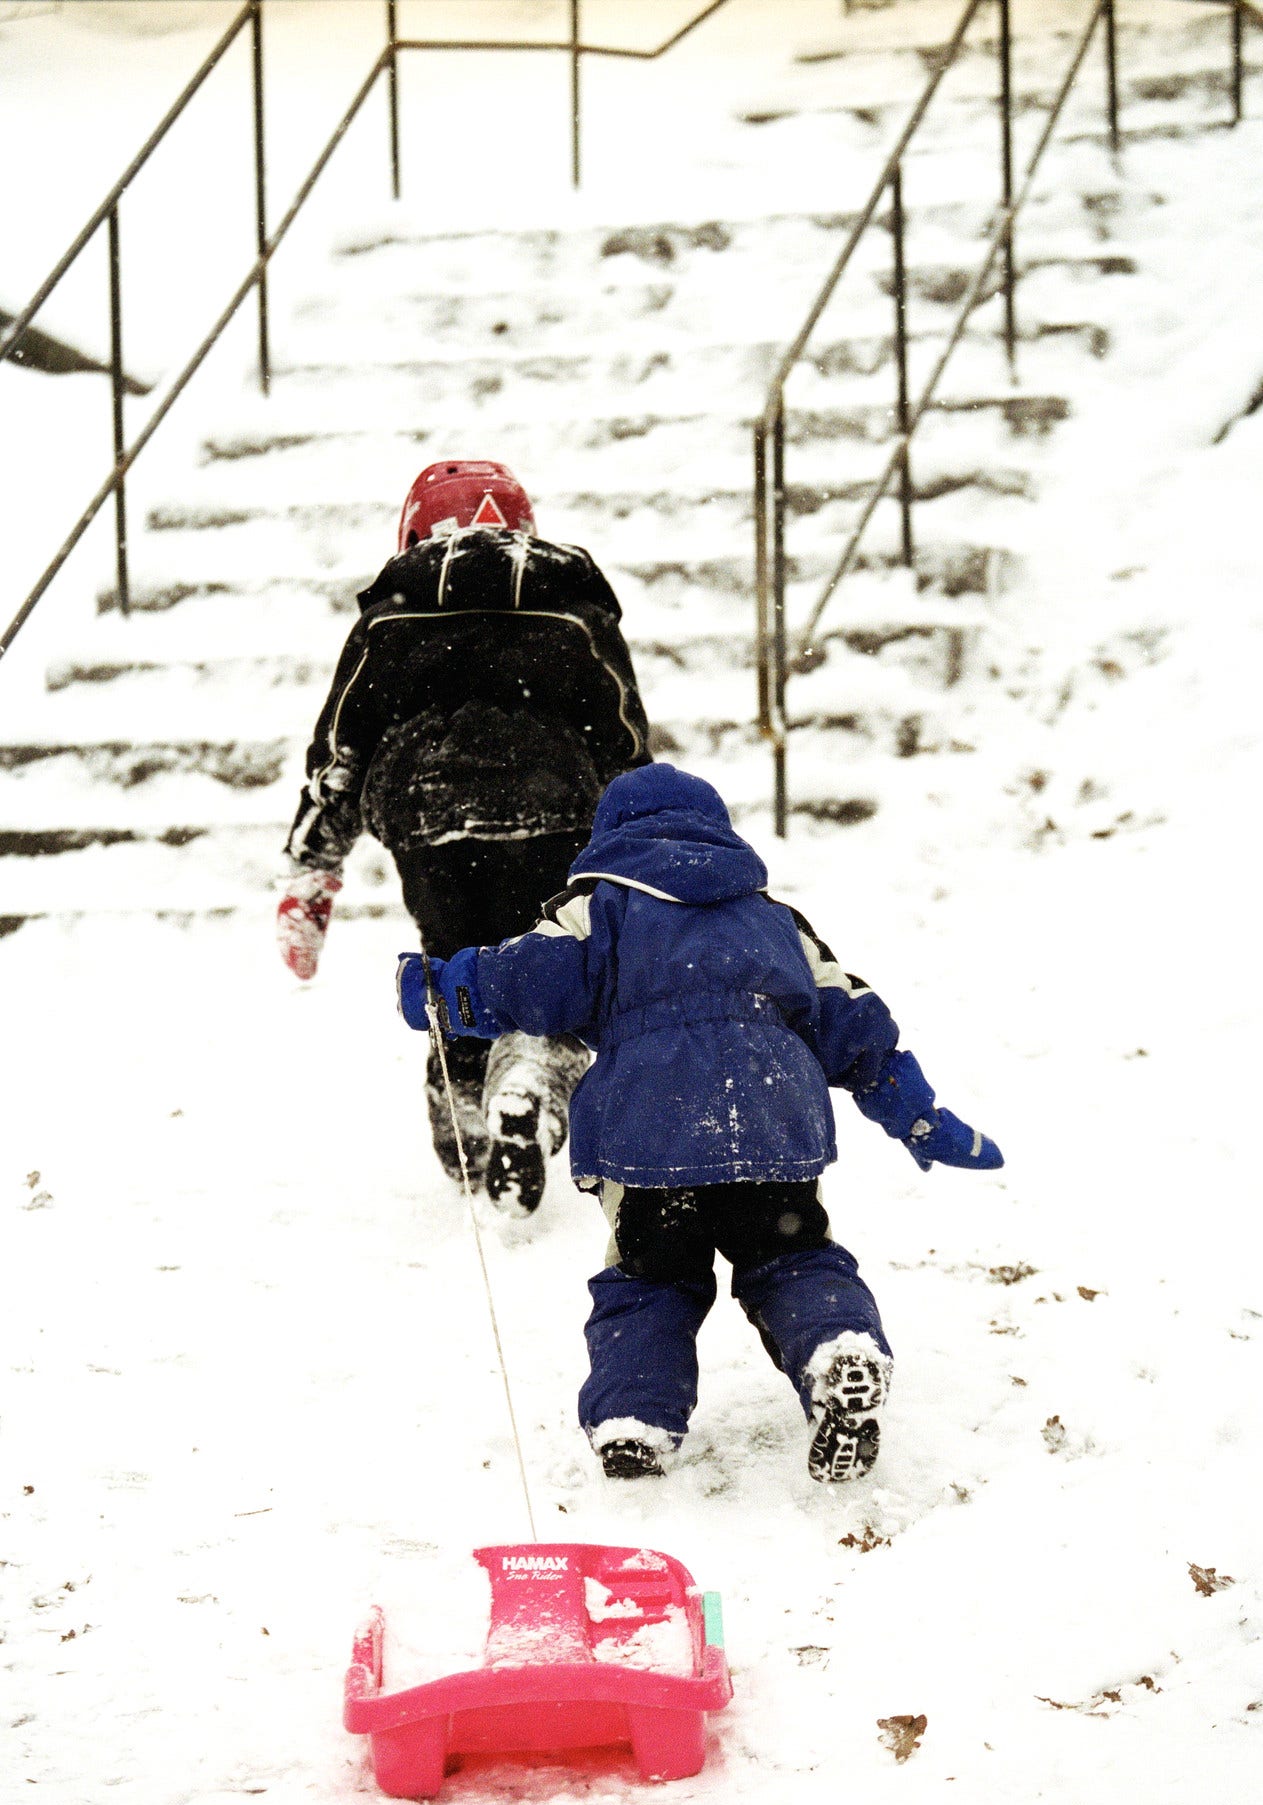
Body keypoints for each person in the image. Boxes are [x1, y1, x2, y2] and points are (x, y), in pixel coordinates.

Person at [395, 762, 1004, 1483]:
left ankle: (635, 1418)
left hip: (651, 1125)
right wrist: (917, 1115)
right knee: (791, 1256)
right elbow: (853, 1022)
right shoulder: (777, 920)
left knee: (652, 1275)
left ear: (606, 836)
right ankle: (837, 1346)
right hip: (772, 1116)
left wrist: (442, 989)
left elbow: (531, 979)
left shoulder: (598, 907)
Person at [276, 460, 652, 1216]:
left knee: (456, 957)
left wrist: (311, 875)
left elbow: (341, 753)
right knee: (550, 960)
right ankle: (535, 1080)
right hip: (552, 803)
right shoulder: (570, 602)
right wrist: (643, 845)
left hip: (426, 807)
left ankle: (466, 1121)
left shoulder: (391, 611)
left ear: (417, 528)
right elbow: (621, 737)